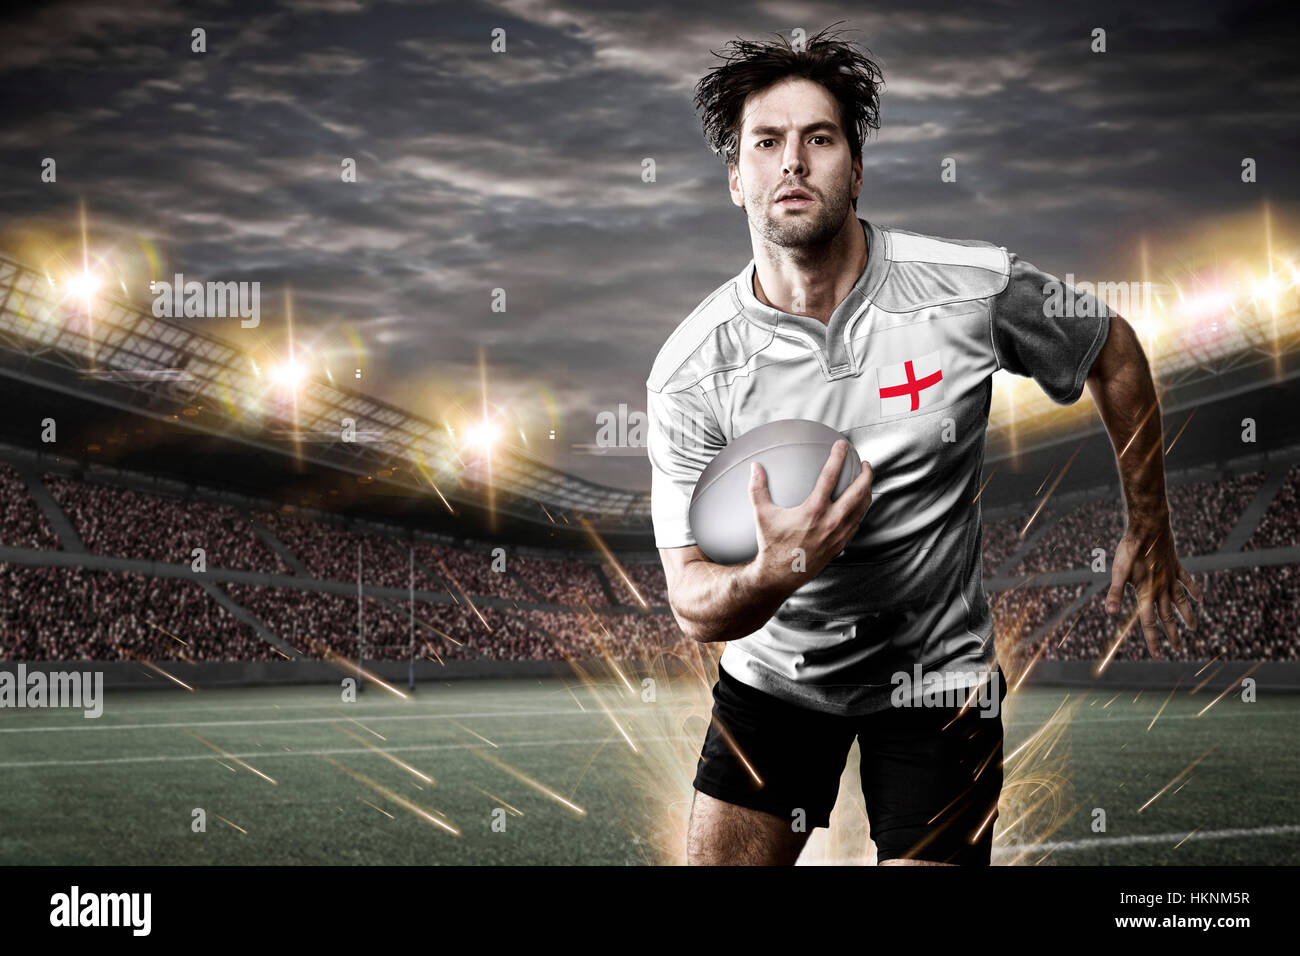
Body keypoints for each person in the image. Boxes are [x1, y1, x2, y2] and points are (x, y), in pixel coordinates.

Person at [646, 25, 1201, 865]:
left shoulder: (971, 286)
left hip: (938, 681)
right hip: (776, 681)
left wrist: (1148, 520)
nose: (792, 162)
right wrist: (774, 570)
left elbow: (1113, 351)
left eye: (819, 139)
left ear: (857, 169)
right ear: (737, 178)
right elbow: (691, 602)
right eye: (767, 142)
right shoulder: (691, 370)